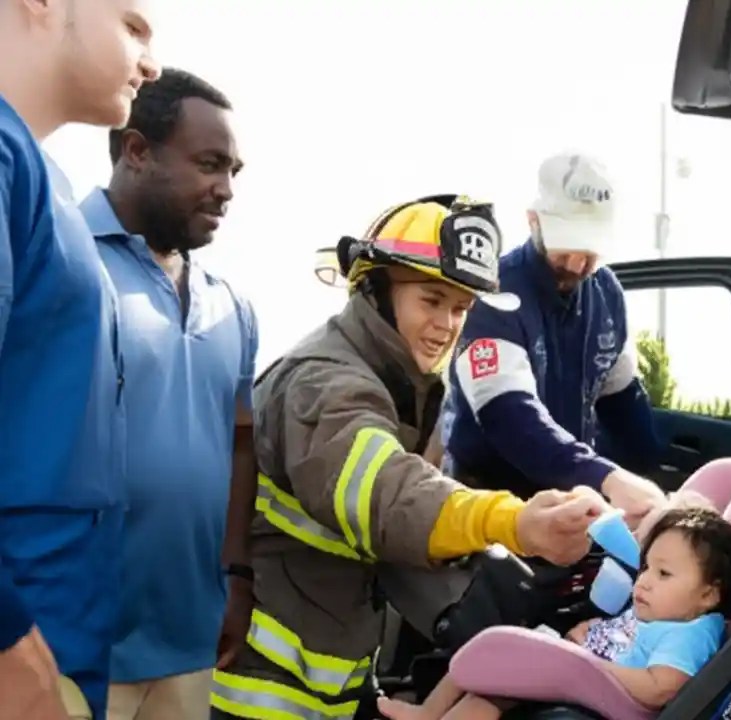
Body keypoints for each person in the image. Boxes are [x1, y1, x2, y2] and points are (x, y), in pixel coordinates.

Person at [210, 195, 606, 720]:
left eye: (461, 308)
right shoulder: (326, 382)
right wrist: (513, 522)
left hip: (328, 680)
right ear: (374, 290)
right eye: (431, 300)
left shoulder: (400, 380)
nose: (447, 324)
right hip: (263, 690)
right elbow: (385, 494)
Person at [81, 68, 257, 720]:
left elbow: (242, 444)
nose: (227, 189)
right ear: (136, 150)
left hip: (190, 642)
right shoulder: (61, 262)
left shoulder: (232, 304)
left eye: (235, 170)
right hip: (68, 642)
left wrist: (235, 576)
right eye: (210, 164)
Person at [0, 1, 159, 718]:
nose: (150, 62)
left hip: (59, 636)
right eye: (133, 25)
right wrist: (9, 648)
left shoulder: (42, 180)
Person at [443, 152, 666, 526]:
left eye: (591, 249)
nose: (579, 265)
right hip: (492, 508)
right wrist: (606, 476)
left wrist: (654, 488)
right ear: (534, 221)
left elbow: (623, 403)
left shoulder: (606, 292)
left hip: (575, 502)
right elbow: (509, 416)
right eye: (569, 246)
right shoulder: (492, 294)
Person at [380, 506, 731, 720]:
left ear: (708, 594)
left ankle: (430, 713)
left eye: (664, 574)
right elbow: (626, 640)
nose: (643, 583)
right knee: (490, 673)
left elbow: (661, 688)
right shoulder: (661, 615)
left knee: (493, 666)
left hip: (594, 696)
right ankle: (430, 712)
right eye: (645, 570)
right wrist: (593, 630)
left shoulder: (690, 632)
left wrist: (588, 666)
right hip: (577, 675)